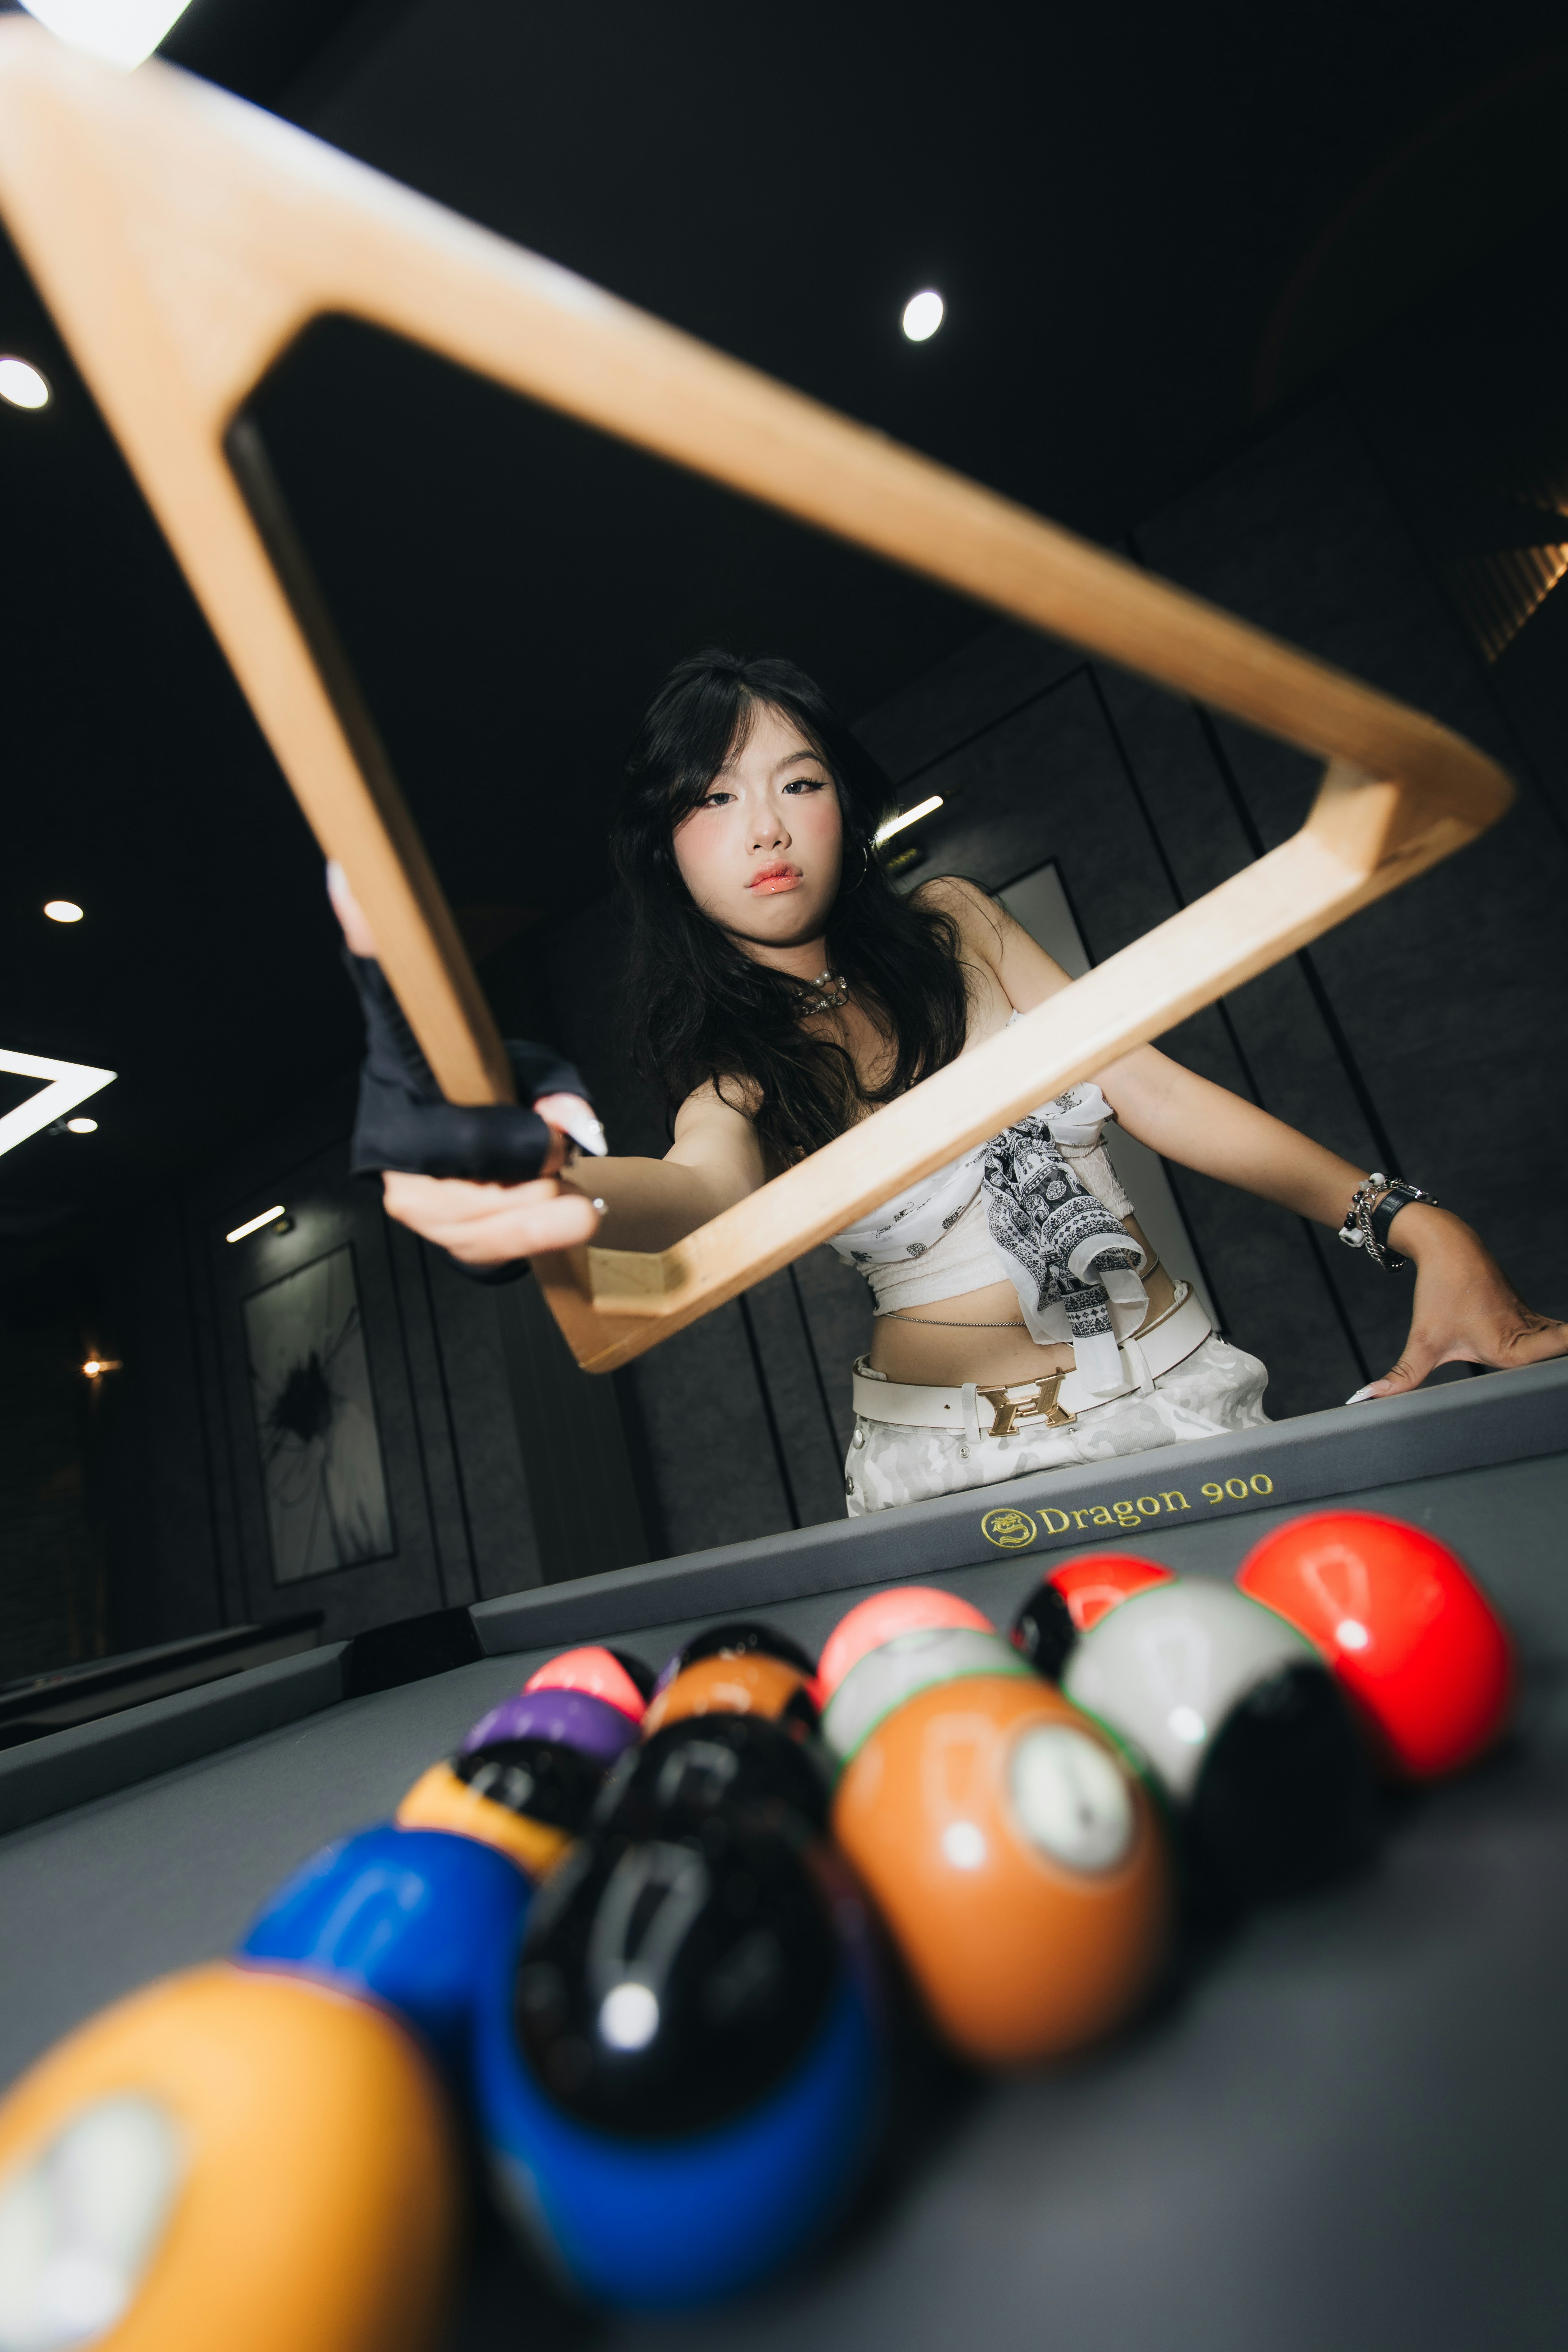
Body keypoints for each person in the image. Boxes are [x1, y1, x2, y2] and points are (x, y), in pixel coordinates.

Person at [330, 650, 1566, 1517]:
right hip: (960, 1470)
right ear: (667, 850)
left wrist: (1414, 1222)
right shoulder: (733, 1072)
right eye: (713, 799)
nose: (765, 827)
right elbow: (692, 1189)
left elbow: (1160, 1094)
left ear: (844, 802)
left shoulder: (958, 925)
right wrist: (554, 1176)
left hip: (1187, 1394)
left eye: (797, 782)